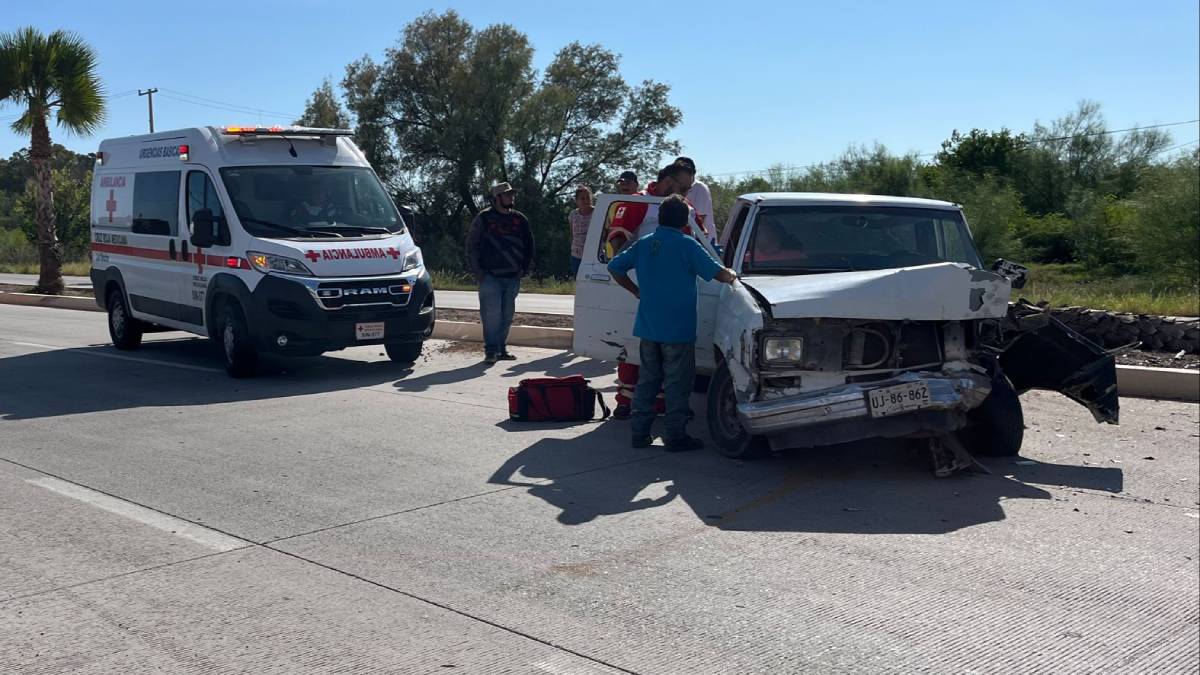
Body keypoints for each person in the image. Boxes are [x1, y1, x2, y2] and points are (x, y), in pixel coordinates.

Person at [608, 195, 738, 451]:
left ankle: (639, 433)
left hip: (648, 326)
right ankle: (675, 436)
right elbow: (719, 274)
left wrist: (635, 290)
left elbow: (614, 266)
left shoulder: (645, 243)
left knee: (647, 381)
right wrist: (733, 274)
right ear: (684, 220)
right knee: (678, 384)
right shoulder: (686, 244)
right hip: (677, 329)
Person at [606, 162, 699, 419]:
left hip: (670, 291)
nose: (687, 193)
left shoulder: (684, 208)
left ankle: (658, 405)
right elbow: (617, 240)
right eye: (683, 187)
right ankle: (626, 401)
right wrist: (636, 279)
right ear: (667, 182)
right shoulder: (637, 202)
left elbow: (694, 243)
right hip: (639, 286)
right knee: (633, 348)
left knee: (661, 351)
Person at [466, 182, 534, 364]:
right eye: (507, 195)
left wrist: (525, 268)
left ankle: (501, 349)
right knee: (491, 315)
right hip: (490, 277)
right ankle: (490, 351)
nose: (511, 197)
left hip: (513, 277)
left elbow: (529, 245)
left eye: (512, 194)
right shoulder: (484, 218)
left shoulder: (520, 219)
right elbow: (472, 245)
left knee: (506, 315)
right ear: (497, 198)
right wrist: (478, 271)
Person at [675, 157, 715, 241]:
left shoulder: (700, 188)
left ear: (691, 173)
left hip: (703, 241)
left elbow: (700, 219)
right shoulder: (676, 187)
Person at [568, 185, 593, 278]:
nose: (586, 200)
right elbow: (572, 233)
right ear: (577, 200)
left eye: (588, 197)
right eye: (582, 198)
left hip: (593, 255)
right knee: (579, 280)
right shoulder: (573, 214)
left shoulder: (597, 212)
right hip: (576, 254)